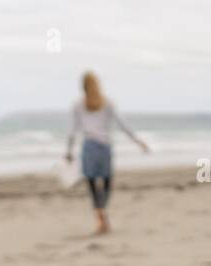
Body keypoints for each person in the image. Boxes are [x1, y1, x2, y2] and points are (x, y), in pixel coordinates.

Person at [64, 72, 149, 234]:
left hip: (89, 147)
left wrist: (69, 151)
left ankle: (100, 214)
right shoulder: (107, 103)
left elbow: (73, 131)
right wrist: (138, 141)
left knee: (92, 185)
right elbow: (122, 124)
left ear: (82, 86)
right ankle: (103, 210)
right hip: (104, 147)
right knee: (107, 182)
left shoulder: (78, 105)